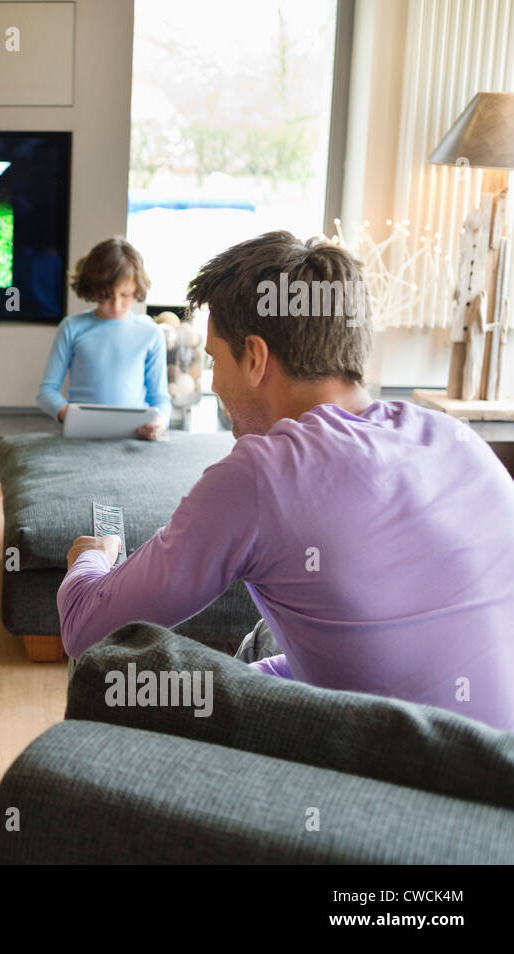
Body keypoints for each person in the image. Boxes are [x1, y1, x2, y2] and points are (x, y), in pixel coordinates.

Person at [58, 230, 514, 731]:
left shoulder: (262, 475)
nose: (212, 384)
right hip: (495, 769)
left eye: (215, 360)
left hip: (402, 786)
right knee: (257, 657)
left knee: (119, 687)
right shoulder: (456, 438)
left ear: (255, 357)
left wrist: (90, 556)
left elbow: (85, 631)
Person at [37, 237, 171, 440]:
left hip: (136, 437)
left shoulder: (151, 333)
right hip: (80, 435)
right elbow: (47, 393)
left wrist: (161, 421)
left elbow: (160, 398)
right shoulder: (72, 327)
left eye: (125, 295)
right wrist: (69, 415)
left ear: (137, 288)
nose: (116, 305)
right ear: (92, 288)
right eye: (106, 295)